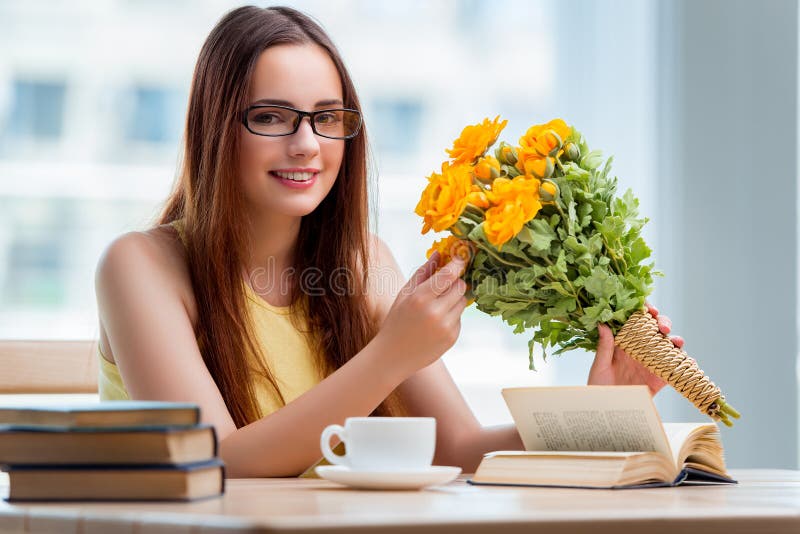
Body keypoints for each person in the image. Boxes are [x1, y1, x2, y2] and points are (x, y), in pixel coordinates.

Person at [94, 5, 682, 477]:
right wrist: (393, 353)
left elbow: (457, 448)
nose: (307, 144)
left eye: (328, 117)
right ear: (214, 127)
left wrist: (596, 414)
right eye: (272, 117)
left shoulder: (362, 262)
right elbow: (216, 460)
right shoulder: (139, 267)